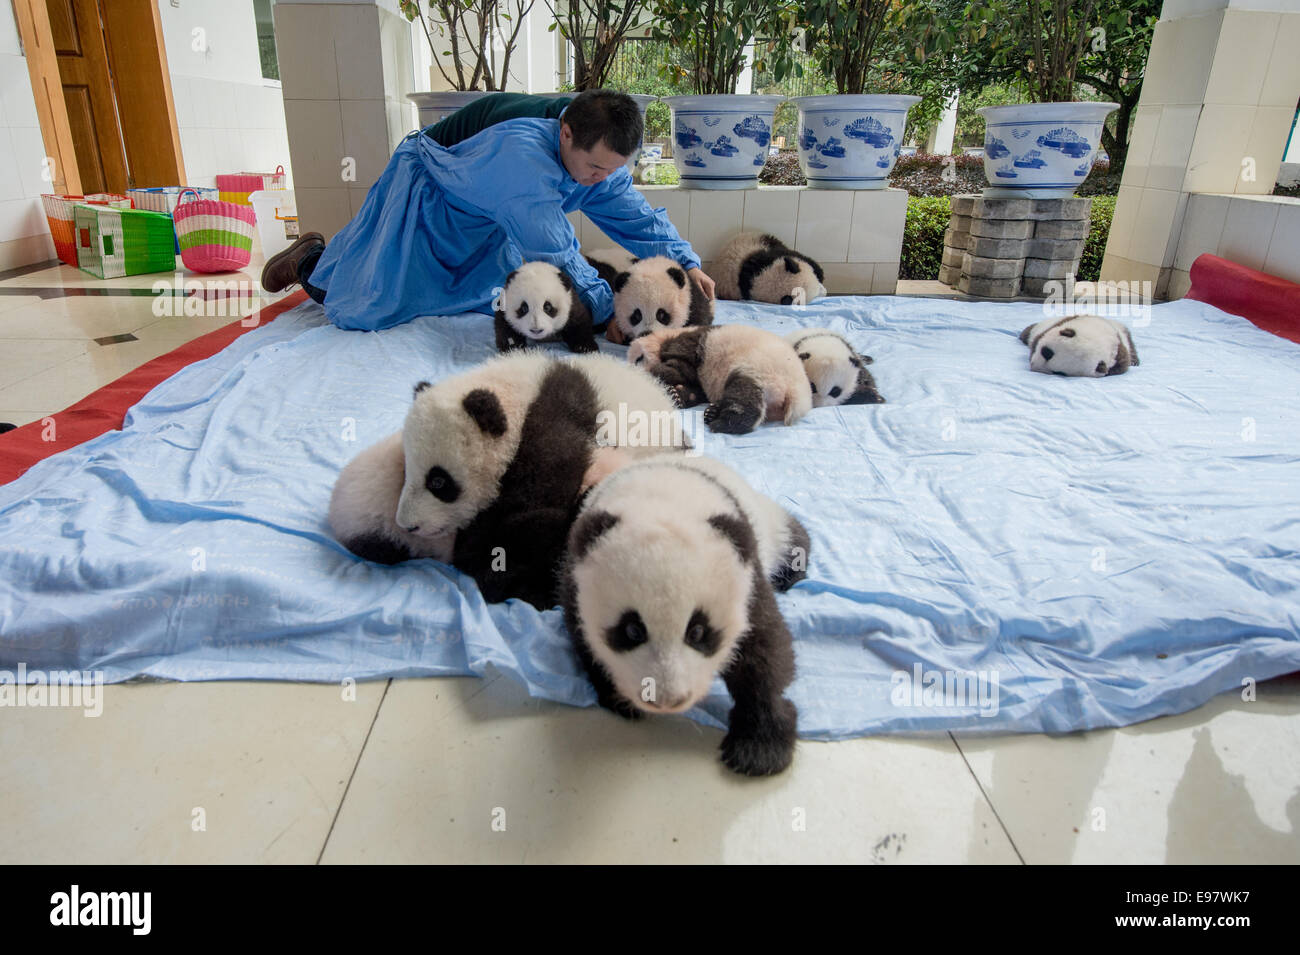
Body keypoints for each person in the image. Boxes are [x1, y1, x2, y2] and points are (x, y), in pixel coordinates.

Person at [261, 90, 714, 330]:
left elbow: (632, 214)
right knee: (369, 303)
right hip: (430, 191)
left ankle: (328, 261)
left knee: (478, 295)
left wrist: (686, 262)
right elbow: (557, 250)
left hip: (483, 210)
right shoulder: (523, 160)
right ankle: (309, 259)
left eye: (611, 169)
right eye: (595, 168)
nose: (601, 178)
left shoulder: (595, 152)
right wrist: (607, 310)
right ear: (566, 134)